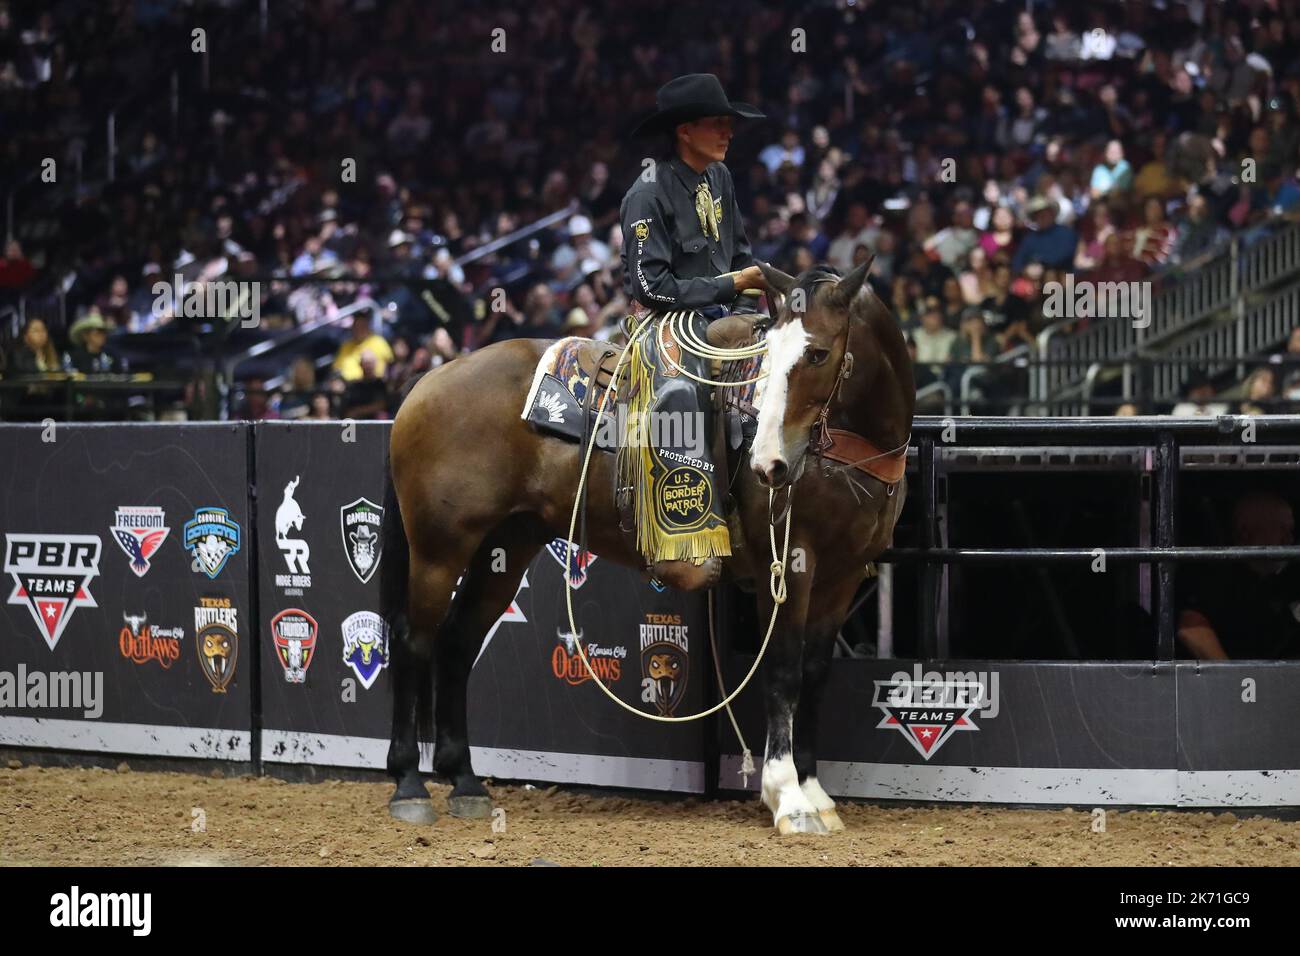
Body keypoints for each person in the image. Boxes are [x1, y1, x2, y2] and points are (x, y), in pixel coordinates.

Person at [619, 73, 767, 588]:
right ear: (685, 131)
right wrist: (729, 285)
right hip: (667, 323)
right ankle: (679, 530)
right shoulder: (648, 193)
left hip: (723, 318)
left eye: (729, 124)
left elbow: (743, 256)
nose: (728, 133)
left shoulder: (720, 180)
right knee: (679, 394)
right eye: (717, 124)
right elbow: (649, 285)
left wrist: (749, 303)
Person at [1178, 492, 1300, 659]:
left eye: (1291, 530)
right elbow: (1191, 627)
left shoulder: (1285, 580)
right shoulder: (1218, 578)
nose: (1290, 539)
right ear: (1246, 534)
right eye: (1282, 529)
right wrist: (1234, 679)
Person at [333, 311, 394, 381]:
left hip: (375, 383)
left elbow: (390, 366)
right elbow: (336, 369)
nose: (359, 330)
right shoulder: (345, 346)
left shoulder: (378, 341)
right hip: (350, 387)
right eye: (356, 327)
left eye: (362, 326)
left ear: (367, 326)